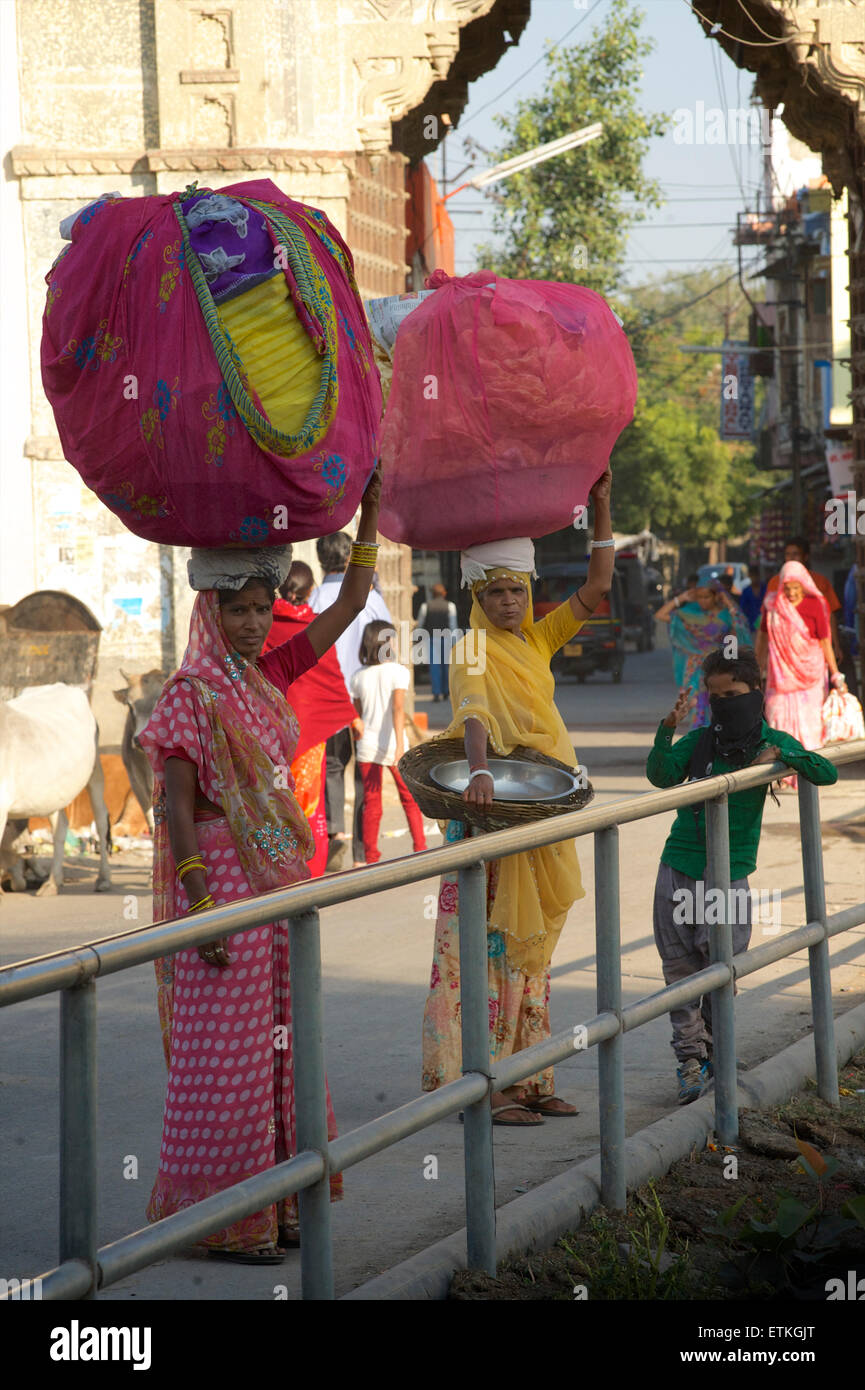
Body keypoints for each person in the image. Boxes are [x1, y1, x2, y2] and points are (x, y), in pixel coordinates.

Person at [138, 467, 383, 1263]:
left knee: (284, 1048)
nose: (251, 624)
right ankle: (223, 1217)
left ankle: (275, 1204)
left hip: (276, 892)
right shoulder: (188, 695)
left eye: (258, 610)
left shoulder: (265, 674)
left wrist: (370, 508)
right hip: (214, 891)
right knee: (229, 1060)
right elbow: (175, 808)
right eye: (237, 610)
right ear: (210, 612)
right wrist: (202, 903)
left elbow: (347, 606)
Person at [422, 469, 616, 1126]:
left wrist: (600, 505)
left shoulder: (536, 638)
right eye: (496, 591)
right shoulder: (472, 644)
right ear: (478, 595)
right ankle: (475, 1083)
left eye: (517, 590)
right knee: (484, 952)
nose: (508, 602)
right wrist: (479, 770)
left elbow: (596, 587)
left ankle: (529, 1076)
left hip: (539, 813)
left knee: (531, 952)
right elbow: (473, 708)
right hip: (487, 815)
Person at [647, 644, 837, 1105]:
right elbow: (660, 775)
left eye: (733, 693)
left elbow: (825, 772)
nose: (724, 703)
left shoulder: (771, 739)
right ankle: (690, 1060)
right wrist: (667, 729)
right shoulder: (700, 741)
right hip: (677, 867)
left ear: (756, 692)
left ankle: (717, 1050)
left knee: (721, 971)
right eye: (716, 696)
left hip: (728, 876)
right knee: (678, 974)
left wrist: (780, 757)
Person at [263, 561, 357, 877]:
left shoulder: (263, 624)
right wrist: (350, 715)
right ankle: (309, 873)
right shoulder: (317, 626)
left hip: (271, 732)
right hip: (311, 731)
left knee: (274, 801)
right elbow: (331, 674)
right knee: (308, 804)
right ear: (312, 590)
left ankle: (277, 869)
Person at [309, 531, 392, 870]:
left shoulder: (313, 599)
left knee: (331, 766)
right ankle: (362, 849)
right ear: (349, 559)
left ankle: (336, 835)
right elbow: (388, 646)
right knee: (365, 772)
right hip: (368, 698)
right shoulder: (370, 598)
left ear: (320, 560)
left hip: (329, 696)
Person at [755, 560, 846, 784]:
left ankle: (809, 774)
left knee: (811, 725)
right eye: (787, 589)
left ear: (805, 586)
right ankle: (781, 775)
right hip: (781, 677)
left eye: (796, 589)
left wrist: (836, 675)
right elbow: (763, 639)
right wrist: (757, 669)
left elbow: (825, 642)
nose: (792, 593)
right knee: (778, 719)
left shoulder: (818, 604)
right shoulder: (772, 605)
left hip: (811, 675)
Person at [349, 619, 427, 863]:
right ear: (387, 642)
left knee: (372, 804)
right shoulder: (399, 672)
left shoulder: (358, 677)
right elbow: (398, 709)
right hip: (395, 744)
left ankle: (371, 857)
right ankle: (421, 848)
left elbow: (358, 715)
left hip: (367, 745)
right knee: (409, 798)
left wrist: (357, 729)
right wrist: (401, 747)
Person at [654, 579, 752, 730]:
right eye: (699, 597)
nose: (702, 601)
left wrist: (727, 601)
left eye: (706, 597)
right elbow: (660, 615)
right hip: (695, 669)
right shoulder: (691, 615)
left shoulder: (725, 616)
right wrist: (681, 598)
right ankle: (699, 742)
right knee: (697, 707)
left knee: (718, 705)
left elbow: (740, 626)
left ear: (715, 596)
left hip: (718, 666)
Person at [763, 537, 843, 663]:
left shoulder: (820, 582)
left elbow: (830, 615)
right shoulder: (774, 583)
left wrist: (836, 646)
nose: (791, 558)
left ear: (805, 557)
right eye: (788, 554)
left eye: (796, 554)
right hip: (783, 649)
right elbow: (765, 619)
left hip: (813, 650)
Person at [415, 583, 458, 701]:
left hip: (432, 638)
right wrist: (456, 641)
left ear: (432, 594)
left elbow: (420, 623)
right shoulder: (450, 606)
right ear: (444, 593)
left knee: (434, 666)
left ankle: (436, 693)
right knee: (446, 666)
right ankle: (446, 691)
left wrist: (417, 637)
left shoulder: (425, 606)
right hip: (447, 638)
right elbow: (453, 625)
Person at [738, 563, 767, 632]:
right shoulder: (746, 591)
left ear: (759, 576)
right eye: (752, 576)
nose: (754, 578)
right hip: (750, 626)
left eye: (755, 575)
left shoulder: (765, 589)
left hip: (764, 625)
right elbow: (742, 609)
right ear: (749, 576)